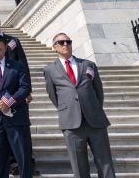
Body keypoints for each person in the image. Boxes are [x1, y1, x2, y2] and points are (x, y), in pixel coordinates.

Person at [43, 33, 116, 178]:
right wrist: (68, 109)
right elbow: (53, 95)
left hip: (95, 121)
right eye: (61, 42)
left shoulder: (88, 65)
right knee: (79, 166)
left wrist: (92, 107)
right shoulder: (49, 70)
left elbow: (98, 92)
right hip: (71, 124)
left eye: (68, 41)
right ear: (54, 47)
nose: (65, 44)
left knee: (105, 163)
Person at [0, 13, 33, 176]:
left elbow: (25, 85)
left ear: (5, 48)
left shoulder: (15, 50)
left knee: (23, 154)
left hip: (16, 111)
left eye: (0, 49)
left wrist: (9, 100)